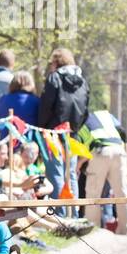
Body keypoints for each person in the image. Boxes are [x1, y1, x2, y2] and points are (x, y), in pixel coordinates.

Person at [38, 47, 89, 202]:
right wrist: (77, 127)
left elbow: (46, 106)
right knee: (71, 174)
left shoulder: (55, 78)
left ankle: (59, 215)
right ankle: (73, 213)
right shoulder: (83, 82)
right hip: (72, 133)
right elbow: (86, 109)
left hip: (54, 134)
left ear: (56, 62)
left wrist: (42, 127)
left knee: (56, 174)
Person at [79, 109, 127, 235]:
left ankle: (92, 230)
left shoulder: (83, 123)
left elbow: (86, 151)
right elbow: (123, 134)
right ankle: (126, 231)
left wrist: (79, 164)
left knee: (93, 195)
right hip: (119, 151)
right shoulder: (107, 116)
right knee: (123, 194)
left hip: (100, 151)